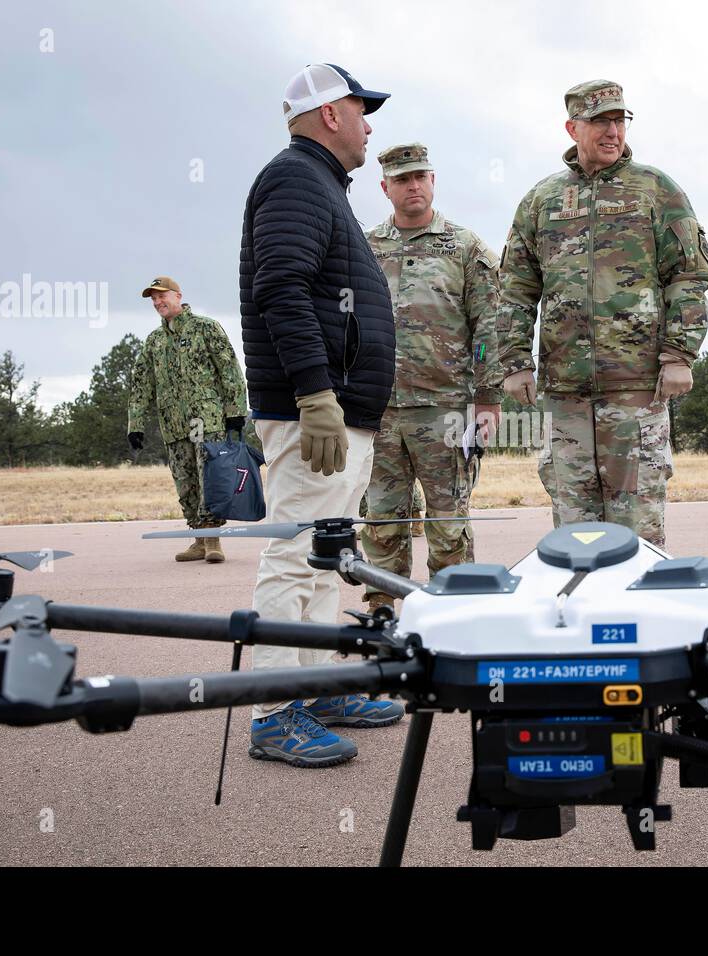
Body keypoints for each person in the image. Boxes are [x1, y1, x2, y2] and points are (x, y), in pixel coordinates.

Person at [239, 63, 404, 768]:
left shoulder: (320, 184)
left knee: (321, 555)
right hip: (316, 409)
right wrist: (314, 394)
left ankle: (321, 685)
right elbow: (280, 287)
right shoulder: (296, 178)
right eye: (362, 111)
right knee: (295, 554)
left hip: (338, 408)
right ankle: (277, 709)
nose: (370, 126)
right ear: (329, 114)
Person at [496, 80, 708, 549]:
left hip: (636, 389)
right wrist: (514, 363)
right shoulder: (542, 200)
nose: (613, 131)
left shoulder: (657, 190)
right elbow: (515, 287)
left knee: (637, 524)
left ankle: (640, 617)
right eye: (600, 122)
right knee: (575, 530)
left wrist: (680, 354)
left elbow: (688, 276)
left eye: (619, 120)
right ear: (573, 127)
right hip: (564, 393)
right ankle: (583, 617)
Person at [361, 142, 503, 612]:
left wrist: (487, 399)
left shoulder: (464, 248)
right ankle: (382, 613)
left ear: (433, 180)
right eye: (402, 179)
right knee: (382, 518)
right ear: (385, 188)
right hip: (378, 410)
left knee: (448, 521)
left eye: (420, 175)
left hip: (445, 408)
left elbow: (489, 328)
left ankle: (452, 613)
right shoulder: (364, 247)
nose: (413, 185)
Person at [127, 276, 248, 562]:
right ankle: (198, 539)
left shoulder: (205, 328)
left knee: (211, 480)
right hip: (173, 425)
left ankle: (213, 540)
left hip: (207, 420)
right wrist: (136, 425)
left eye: (162, 296)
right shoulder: (154, 341)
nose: (158, 303)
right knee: (186, 484)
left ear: (178, 295)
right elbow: (141, 384)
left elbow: (229, 369)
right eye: (153, 299)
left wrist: (236, 412)